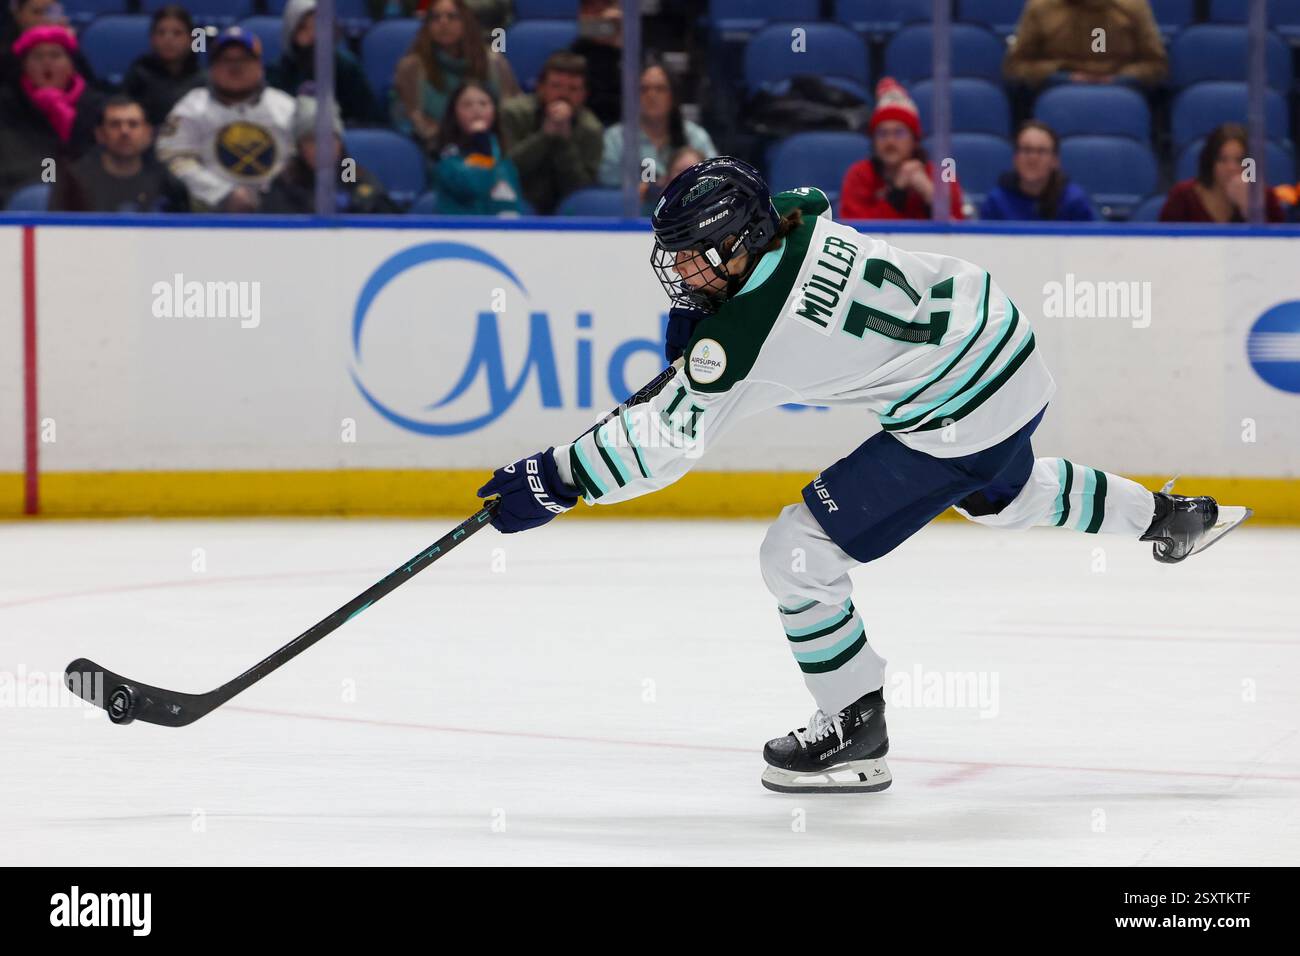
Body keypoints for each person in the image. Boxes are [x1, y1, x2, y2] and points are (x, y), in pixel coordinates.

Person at [474, 156, 1249, 794]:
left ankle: (854, 727)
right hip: (999, 336)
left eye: (690, 253)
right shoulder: (793, 215)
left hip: (962, 401)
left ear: (736, 244)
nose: (677, 268)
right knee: (1004, 496)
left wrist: (558, 476)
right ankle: (1170, 517)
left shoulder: (746, 339)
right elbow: (796, 204)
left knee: (797, 554)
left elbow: (666, 440)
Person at [155, 26, 296, 212]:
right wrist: (221, 193)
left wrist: (273, 195)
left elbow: (301, 161)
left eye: (244, 59)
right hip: (207, 214)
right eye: (226, 60)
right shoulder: (191, 107)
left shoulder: (286, 107)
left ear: (259, 67)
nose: (235, 66)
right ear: (212, 68)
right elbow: (172, 158)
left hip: (279, 212)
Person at [390, 0, 518, 152]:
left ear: (467, 22)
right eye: (435, 18)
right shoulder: (411, 68)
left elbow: (510, 111)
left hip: (491, 146)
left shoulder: (494, 62)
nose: (443, 23)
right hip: (433, 150)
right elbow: (404, 117)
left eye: (452, 17)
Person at [0, 23, 102, 205]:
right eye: (37, 56)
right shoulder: (6, 106)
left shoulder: (94, 106)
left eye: (55, 55)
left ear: (71, 65)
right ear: (24, 65)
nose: (47, 62)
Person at [839, 78, 965, 220]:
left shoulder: (941, 175)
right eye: (882, 133)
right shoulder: (859, 175)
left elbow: (958, 230)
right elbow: (853, 229)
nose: (890, 141)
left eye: (899, 133)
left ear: (915, 140)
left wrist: (929, 194)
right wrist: (896, 193)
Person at [499, 51, 602, 214]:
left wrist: (564, 142)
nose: (564, 94)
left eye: (573, 88)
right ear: (540, 88)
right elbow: (506, 170)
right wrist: (544, 136)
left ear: (584, 95)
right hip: (517, 203)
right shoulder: (514, 114)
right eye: (556, 86)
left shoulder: (590, 129)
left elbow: (583, 193)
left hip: (571, 214)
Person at [259, 94, 396, 214]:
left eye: (329, 138)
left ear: (340, 143)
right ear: (300, 147)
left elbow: (388, 223)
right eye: (312, 140)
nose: (322, 147)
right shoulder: (286, 182)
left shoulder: (355, 176)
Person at [49, 95, 188, 212]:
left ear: (148, 133)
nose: (124, 132)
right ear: (100, 134)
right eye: (115, 124)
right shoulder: (75, 181)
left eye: (133, 124)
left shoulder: (167, 184)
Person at [597, 63, 716, 191]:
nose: (651, 95)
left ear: (673, 97)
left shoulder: (695, 137)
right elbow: (606, 178)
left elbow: (715, 176)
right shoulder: (615, 138)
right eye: (644, 89)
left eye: (660, 89)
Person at [1004, 0, 1167, 90]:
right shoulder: (1041, 7)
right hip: (1059, 95)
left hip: (1120, 93)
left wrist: (1118, 78)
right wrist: (1061, 75)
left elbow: (1157, 66)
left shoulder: (1133, 6)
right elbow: (1016, 67)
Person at [266, 0, 379, 125]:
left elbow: (368, 118)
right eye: (303, 28)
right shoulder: (277, 71)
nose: (312, 35)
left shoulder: (347, 68)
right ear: (291, 33)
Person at [1159, 124, 1285, 223]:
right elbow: (1163, 244)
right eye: (1222, 160)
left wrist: (1251, 211)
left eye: (1240, 160)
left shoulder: (1265, 197)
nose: (1231, 168)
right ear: (1210, 162)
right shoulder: (1183, 196)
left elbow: (1279, 248)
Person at [432, 81, 523, 215]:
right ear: (454, 113)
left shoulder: (503, 157)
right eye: (467, 105)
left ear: (494, 111)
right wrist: (482, 146)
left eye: (483, 104)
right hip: (462, 232)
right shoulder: (448, 157)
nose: (476, 109)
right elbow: (475, 186)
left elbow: (512, 203)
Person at [980, 120, 1095, 221]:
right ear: (1015, 158)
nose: (1032, 158)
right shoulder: (997, 201)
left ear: (1055, 160)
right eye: (1026, 150)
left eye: (1041, 151)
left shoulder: (1074, 201)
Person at [123, 6, 205, 127]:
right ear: (152, 39)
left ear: (191, 39)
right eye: (161, 33)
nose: (168, 39)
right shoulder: (139, 74)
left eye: (177, 33)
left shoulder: (203, 79)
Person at [570, 0, 622, 127]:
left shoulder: (637, 50)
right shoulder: (576, 54)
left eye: (606, 5)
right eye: (590, 7)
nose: (600, 16)